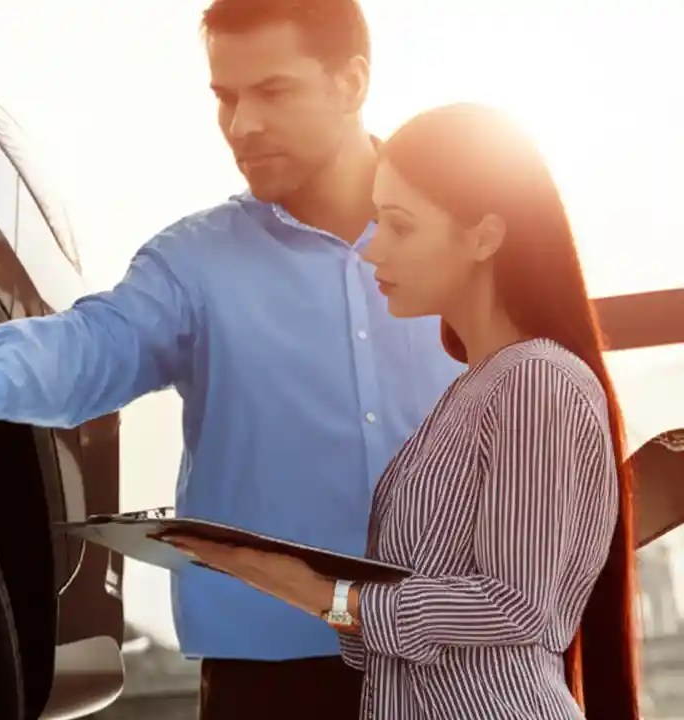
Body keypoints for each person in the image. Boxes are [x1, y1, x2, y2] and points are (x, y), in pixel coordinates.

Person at [0, 0, 465, 716]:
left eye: (272, 91)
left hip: (464, 660)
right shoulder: (195, 264)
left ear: (350, 83)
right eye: (225, 97)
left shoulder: (469, 236)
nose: (242, 126)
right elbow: (90, 343)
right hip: (270, 683)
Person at [164, 103, 641, 719]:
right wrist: (275, 578)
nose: (370, 250)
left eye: (399, 226)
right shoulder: (467, 392)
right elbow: (398, 640)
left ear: (484, 236)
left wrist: (324, 594)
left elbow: (518, 604)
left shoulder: (536, 379)